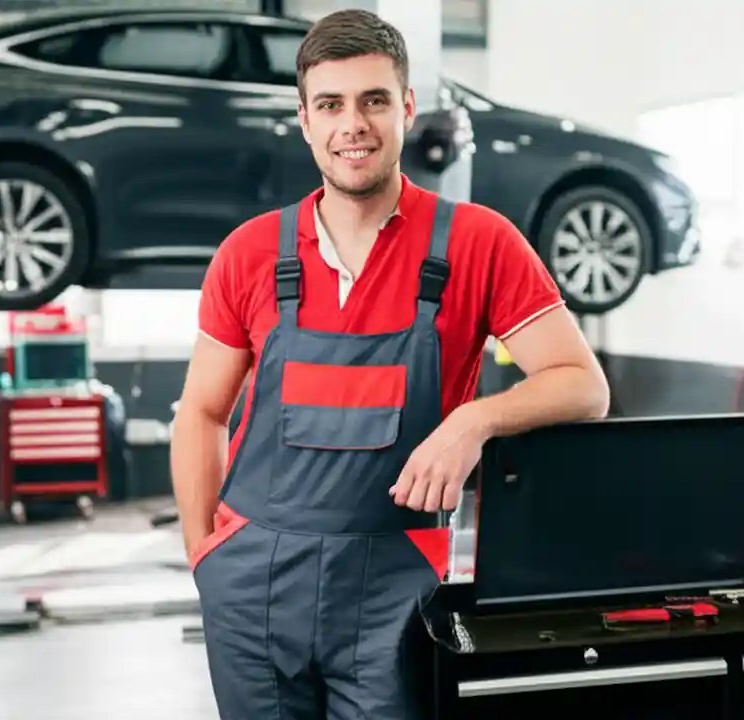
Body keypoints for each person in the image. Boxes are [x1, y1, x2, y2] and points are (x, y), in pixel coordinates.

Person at [170, 8, 609, 719]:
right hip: (251, 589)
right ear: (305, 121)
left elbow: (583, 386)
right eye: (331, 105)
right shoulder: (249, 253)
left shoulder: (479, 243)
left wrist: (474, 421)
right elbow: (202, 411)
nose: (354, 125)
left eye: (374, 100)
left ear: (406, 107)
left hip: (394, 596)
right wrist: (204, 560)